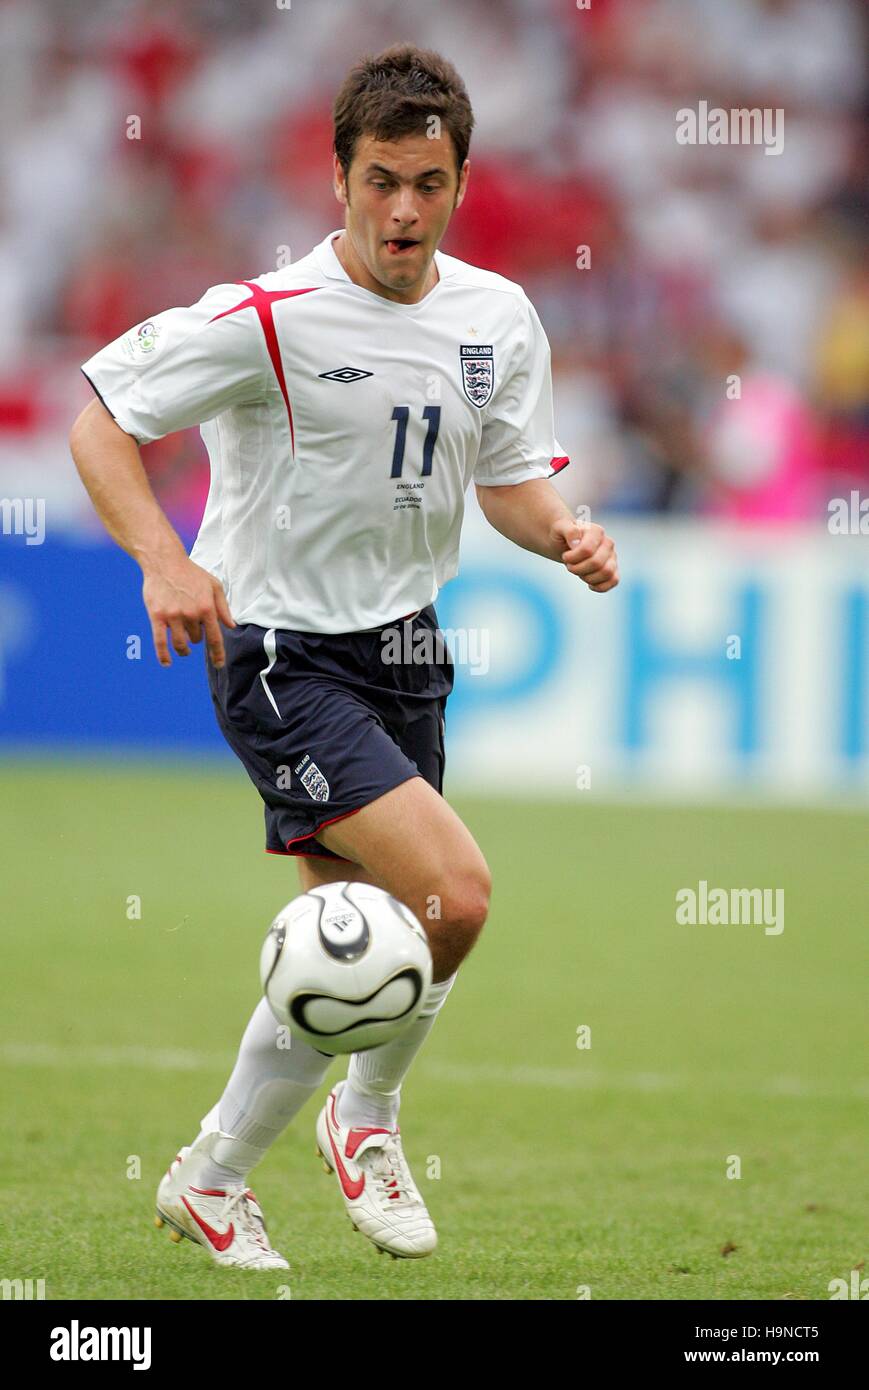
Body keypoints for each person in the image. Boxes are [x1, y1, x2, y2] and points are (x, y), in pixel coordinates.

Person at [69, 42, 619, 1271]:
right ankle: (365, 1119)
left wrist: (565, 537)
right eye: (380, 180)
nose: (403, 210)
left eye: (427, 182)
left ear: (461, 181)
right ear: (337, 176)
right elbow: (99, 418)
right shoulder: (267, 318)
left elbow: (510, 485)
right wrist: (164, 559)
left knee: (346, 951)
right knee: (452, 897)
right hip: (279, 651)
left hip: (407, 648)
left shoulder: (497, 317)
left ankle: (211, 1177)